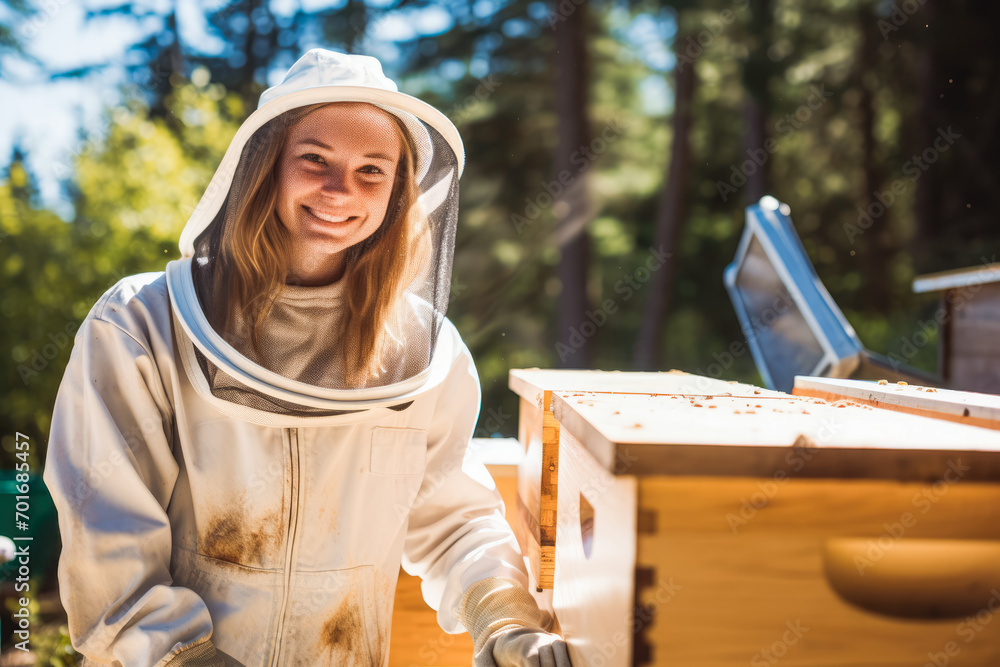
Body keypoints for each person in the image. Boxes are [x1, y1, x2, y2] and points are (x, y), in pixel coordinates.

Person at [42, 48, 573, 667]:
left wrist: (504, 621)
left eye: (372, 170)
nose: (340, 190)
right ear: (264, 168)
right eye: (314, 159)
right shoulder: (140, 325)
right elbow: (110, 540)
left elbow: (453, 516)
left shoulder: (422, 352)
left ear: (399, 192)